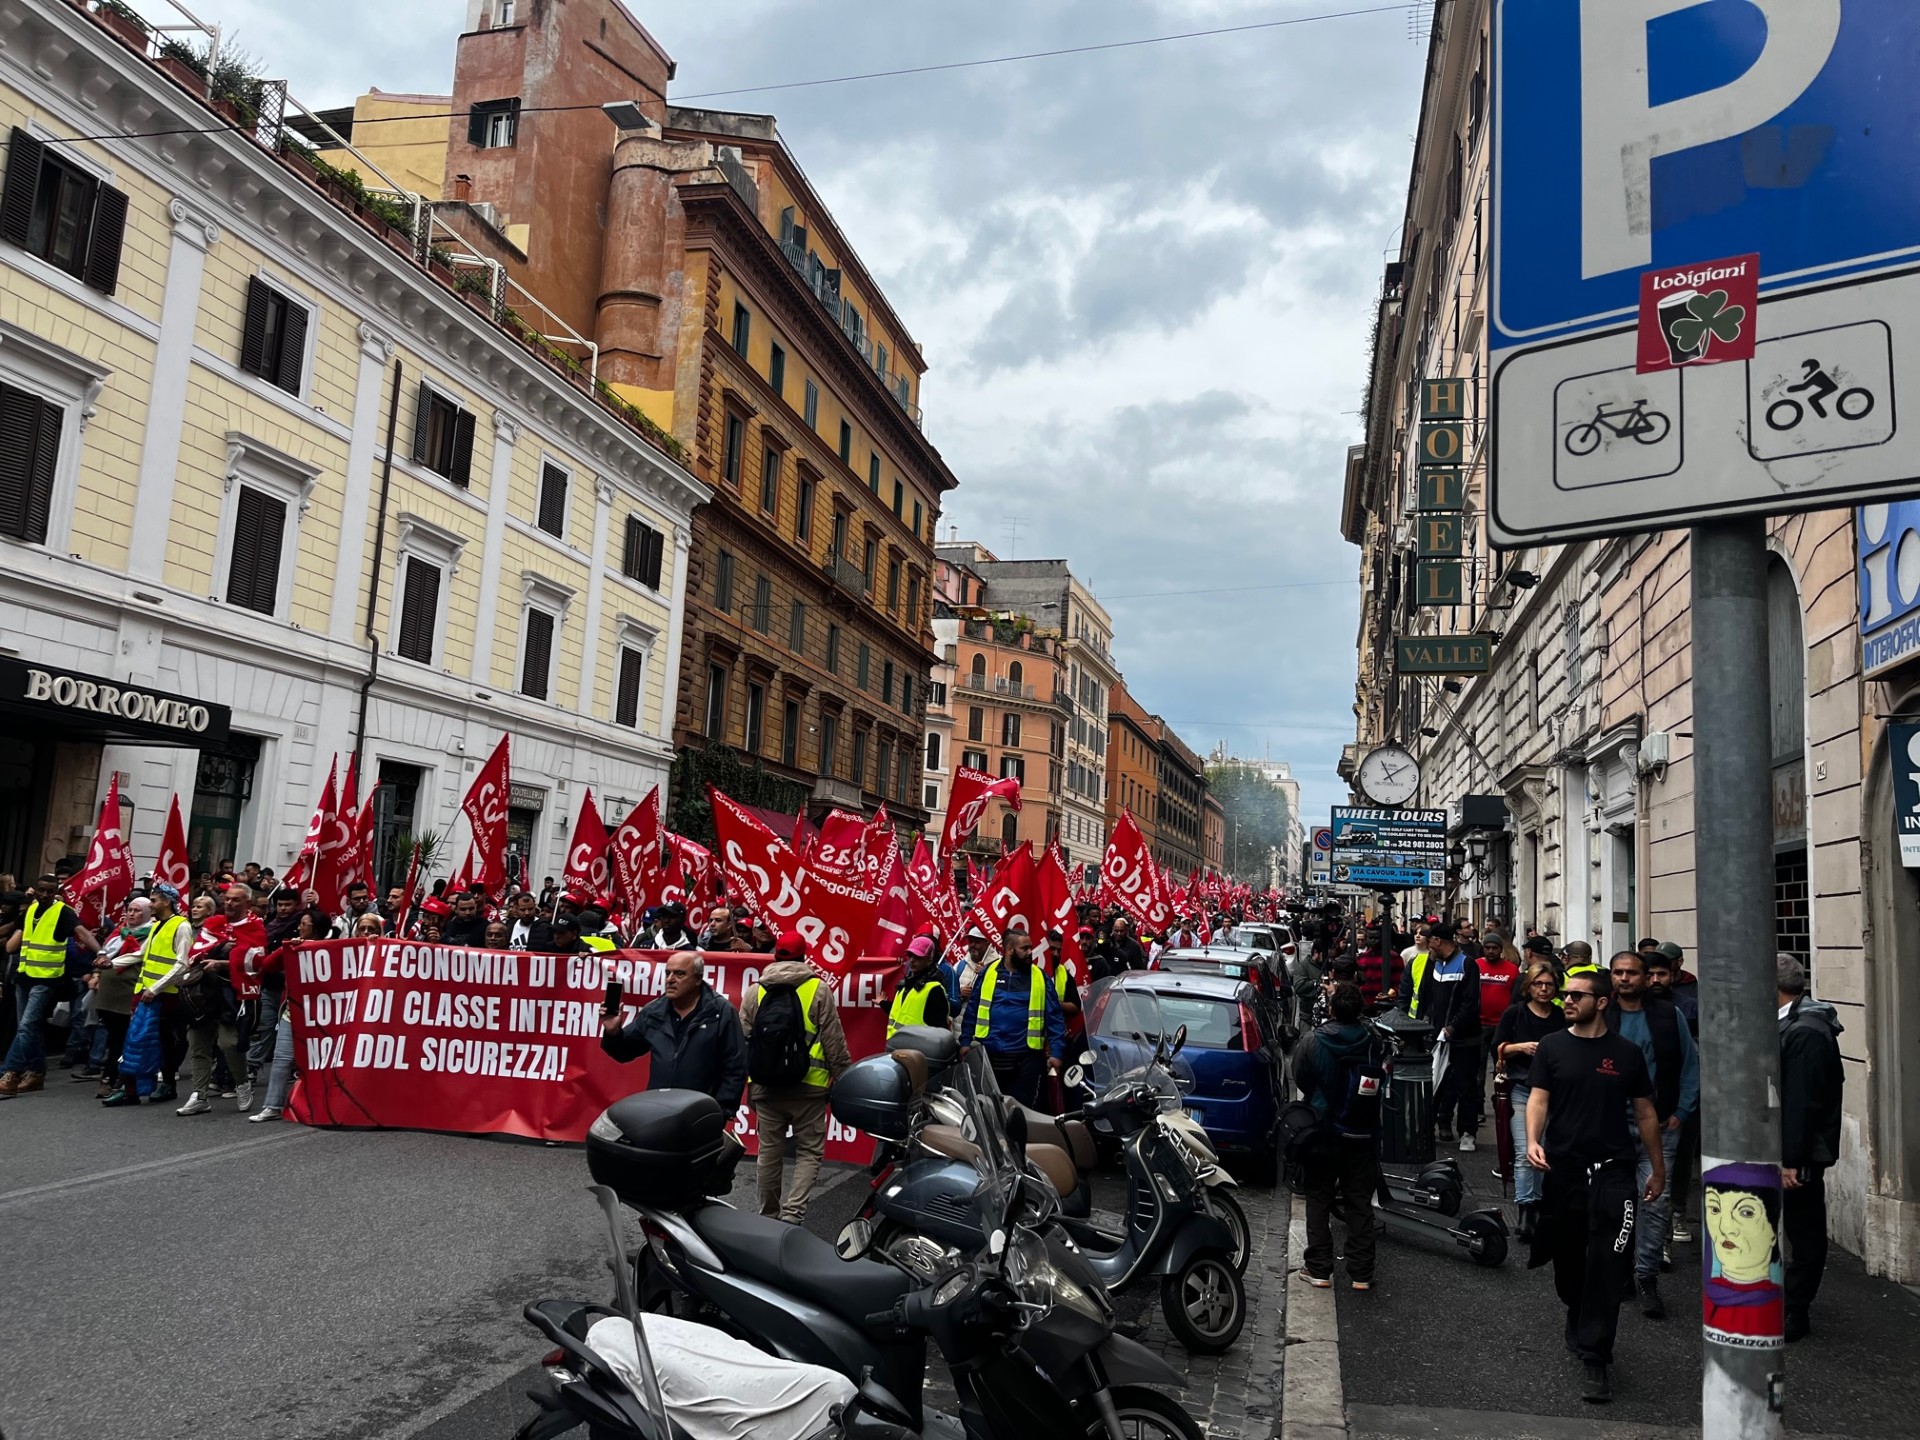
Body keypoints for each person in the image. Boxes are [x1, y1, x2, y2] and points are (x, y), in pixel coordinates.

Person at [1525, 970, 1666, 1404]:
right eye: (1566, 994)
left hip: (1614, 1173)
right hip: (1565, 1169)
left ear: (1601, 1002)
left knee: (1608, 1263)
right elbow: (1538, 1099)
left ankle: (1596, 1357)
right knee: (1568, 1262)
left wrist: (1656, 1171)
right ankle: (1576, 1309)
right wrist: (1532, 1140)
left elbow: (1645, 1114)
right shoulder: (1552, 1046)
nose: (1567, 1000)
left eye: (1577, 995)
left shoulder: (1625, 1054)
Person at [1604, 948, 1698, 1318]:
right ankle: (1619, 1271)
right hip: (1609, 1127)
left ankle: (1647, 1276)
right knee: (1614, 1204)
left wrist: (1681, 1112)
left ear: (1646, 978)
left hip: (1659, 1127)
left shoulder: (1667, 1015)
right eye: (1618, 972)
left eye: (1632, 973)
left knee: (1655, 1204)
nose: (1625, 978)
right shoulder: (1601, 1013)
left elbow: (1690, 1064)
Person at [740, 931, 852, 1222]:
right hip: (809, 1087)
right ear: (805, 956)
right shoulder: (817, 989)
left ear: (775, 955)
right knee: (809, 1153)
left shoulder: (756, 991)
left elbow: (743, 1039)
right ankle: (792, 1214)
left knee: (768, 1154)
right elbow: (833, 1039)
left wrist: (747, 1082)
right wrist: (844, 1077)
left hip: (766, 1086)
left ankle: (768, 1214)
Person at [1291, 981, 1381, 1291]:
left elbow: (1300, 1077)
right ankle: (1361, 1273)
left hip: (1322, 1127)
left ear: (1330, 1009)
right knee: (1359, 1200)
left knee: (1318, 1196)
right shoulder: (1372, 1039)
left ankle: (1319, 1269)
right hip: (1361, 1129)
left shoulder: (1313, 1041)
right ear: (1360, 1010)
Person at [1777, 952, 1844, 1342]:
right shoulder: (1800, 1024)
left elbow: (1801, 1101)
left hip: (1798, 1152)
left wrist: (1791, 1160)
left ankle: (1795, 1309)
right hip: (1794, 1147)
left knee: (1804, 1233)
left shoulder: (1804, 1031)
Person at [600, 951, 748, 1115]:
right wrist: (613, 1032)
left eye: (679, 974)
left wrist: (722, 1110)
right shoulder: (654, 1012)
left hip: (700, 1114)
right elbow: (624, 1052)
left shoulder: (720, 1012)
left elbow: (735, 1065)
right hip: (658, 1110)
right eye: (668, 973)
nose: (670, 979)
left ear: (698, 979)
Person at [0, 874, 99, 1097]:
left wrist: (100, 952)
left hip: (46, 981)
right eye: (42, 890)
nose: (45, 894)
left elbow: (81, 932)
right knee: (29, 1027)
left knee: (26, 1026)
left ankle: (10, 1072)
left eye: (50, 891)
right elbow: (9, 929)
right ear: (35, 889)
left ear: (56, 892)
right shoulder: (31, 911)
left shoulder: (63, 911)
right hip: (24, 977)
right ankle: (35, 1073)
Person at [172, 884, 263, 1115]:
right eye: (228, 899)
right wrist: (223, 952)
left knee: (228, 1043)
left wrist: (222, 963)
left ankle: (242, 1083)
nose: (230, 904)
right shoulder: (214, 924)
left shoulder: (254, 927)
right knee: (198, 1041)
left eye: (236, 900)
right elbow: (196, 953)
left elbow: (255, 960)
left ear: (247, 904)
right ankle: (199, 1095)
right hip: (205, 992)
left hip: (233, 992)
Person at [1493, 961, 1568, 1240]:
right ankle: (1525, 1211)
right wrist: (1519, 1047)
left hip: (1555, 1093)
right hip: (1522, 1088)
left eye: (1549, 984)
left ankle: (1537, 1205)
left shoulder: (1561, 1016)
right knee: (1527, 1150)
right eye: (1538, 983)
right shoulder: (1515, 1014)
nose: (1544, 989)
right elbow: (1496, 1047)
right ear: (1529, 986)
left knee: (1545, 1151)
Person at [959, 927, 1065, 1109]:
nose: (1030, 952)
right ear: (1009, 950)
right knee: (988, 1111)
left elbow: (1054, 1018)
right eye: (1024, 948)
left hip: (1026, 1062)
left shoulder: (1040, 978)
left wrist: (1056, 1053)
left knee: (1020, 1115)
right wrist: (965, 1042)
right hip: (989, 1059)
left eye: (1030, 947)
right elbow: (972, 1011)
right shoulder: (988, 973)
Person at [1407, 921, 1483, 1148]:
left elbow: (1471, 1003)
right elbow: (1426, 998)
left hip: (1464, 1038)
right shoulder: (1433, 964)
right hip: (1438, 1037)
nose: (1428, 945)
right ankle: (1427, 1128)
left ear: (1438, 941)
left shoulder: (1467, 964)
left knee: (1465, 1085)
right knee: (1435, 1084)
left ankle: (1468, 1132)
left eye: (1430, 941)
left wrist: (1453, 1027)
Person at [1472, 935, 1522, 1133]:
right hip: (1479, 1024)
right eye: (1487, 947)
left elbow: (1515, 997)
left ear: (1501, 949)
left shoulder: (1511, 970)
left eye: (1495, 948)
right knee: (1478, 1070)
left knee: (1501, 1069)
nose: (1491, 951)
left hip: (1502, 1026)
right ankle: (1477, 1108)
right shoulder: (1475, 966)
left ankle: (1500, 1103)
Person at [887, 934, 952, 1037]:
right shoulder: (904, 984)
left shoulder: (934, 990)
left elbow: (939, 1032)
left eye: (917, 957)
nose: (912, 960)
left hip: (919, 1051)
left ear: (929, 959)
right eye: (910, 955)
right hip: (894, 1048)